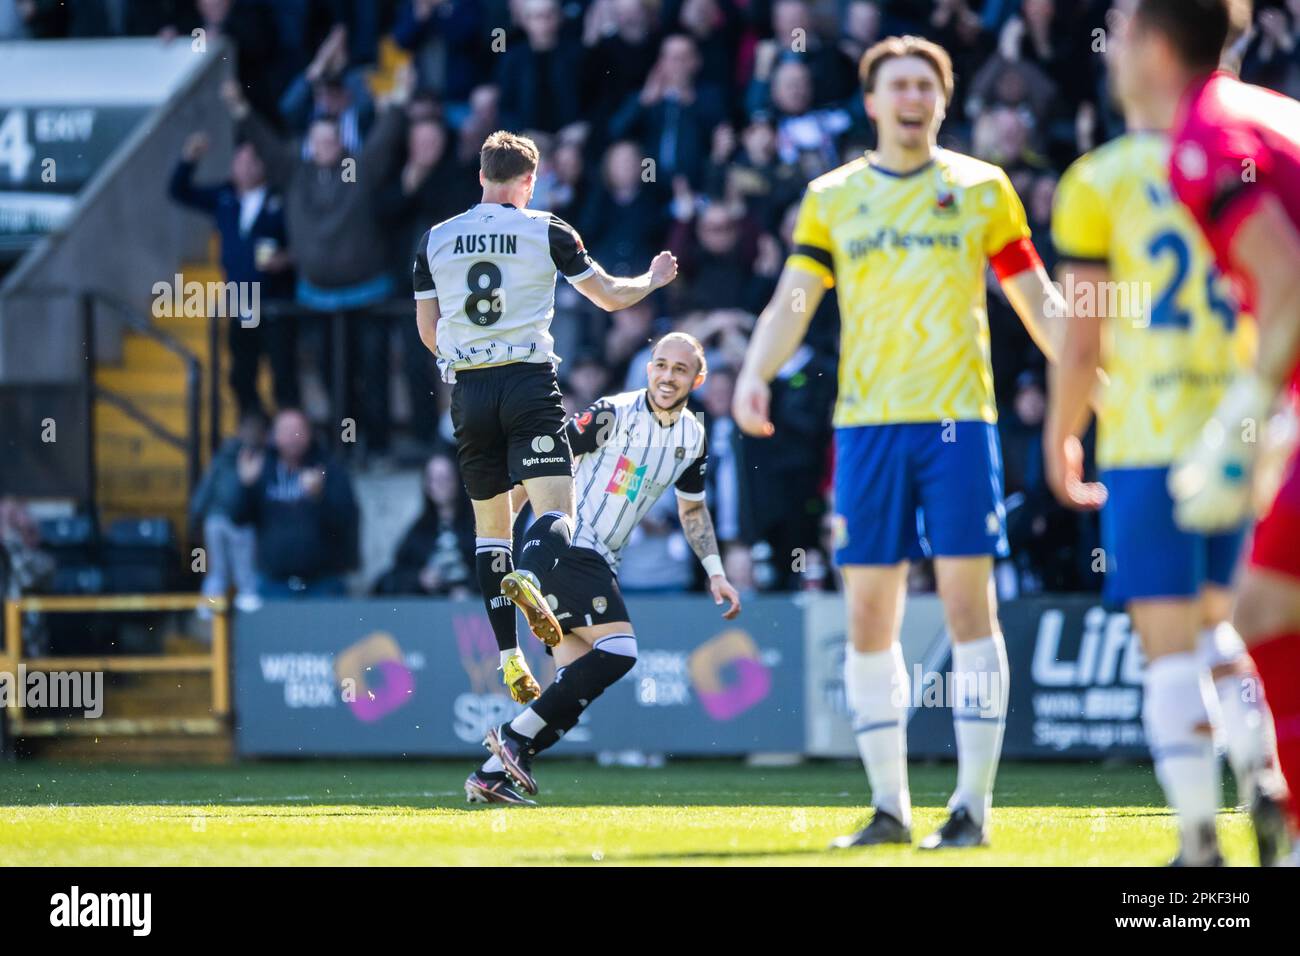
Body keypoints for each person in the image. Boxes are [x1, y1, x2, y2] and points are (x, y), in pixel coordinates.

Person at [732, 35, 1067, 850]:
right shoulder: (833, 196)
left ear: (942, 102)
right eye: (898, 85)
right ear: (874, 102)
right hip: (867, 428)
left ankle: (972, 811)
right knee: (869, 619)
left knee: (967, 610)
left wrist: (1101, 381)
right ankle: (889, 808)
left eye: (925, 84)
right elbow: (793, 299)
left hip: (960, 427)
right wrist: (754, 370)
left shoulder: (983, 189)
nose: (912, 97)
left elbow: (1039, 302)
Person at [1045, 1, 1287, 865]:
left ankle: (1196, 844)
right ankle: (1265, 783)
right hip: (1251, 428)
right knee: (1230, 630)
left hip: (1151, 436)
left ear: (1145, 46)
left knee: (1168, 647)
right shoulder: (1255, 143)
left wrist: (1062, 433)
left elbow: (1083, 338)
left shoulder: (1101, 180)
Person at [412, 130, 679, 706]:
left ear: (481, 177)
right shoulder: (546, 229)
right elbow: (609, 296)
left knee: (491, 531)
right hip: (529, 383)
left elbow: (428, 332)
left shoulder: (434, 239)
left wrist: (464, 361)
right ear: (529, 182)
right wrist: (652, 281)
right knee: (556, 507)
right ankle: (531, 577)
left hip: (469, 390)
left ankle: (509, 657)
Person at [1121, 0, 1300, 857]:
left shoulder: (1205, 135)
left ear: (1153, 47)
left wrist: (1248, 412)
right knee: (1262, 611)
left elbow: (1289, 281)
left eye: (1120, 33)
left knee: (1260, 613)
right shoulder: (1271, 111)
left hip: (1231, 408)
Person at [466, 332, 742, 804]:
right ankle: (513, 739)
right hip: (570, 544)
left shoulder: (693, 438)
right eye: (660, 365)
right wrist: (504, 525)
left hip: (600, 561)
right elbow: (547, 462)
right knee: (620, 650)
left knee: (572, 691)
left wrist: (715, 570)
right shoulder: (613, 413)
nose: (667, 376)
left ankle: (491, 773)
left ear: (698, 378)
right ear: (648, 367)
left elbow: (692, 511)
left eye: (679, 369)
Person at [167, 133, 298, 418]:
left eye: (253, 161)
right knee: (240, 375)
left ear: (264, 166)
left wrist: (287, 258)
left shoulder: (282, 198)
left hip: (277, 302)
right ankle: (256, 432)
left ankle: (291, 437)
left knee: (283, 375)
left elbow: (305, 242)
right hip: (242, 302)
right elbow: (179, 191)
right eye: (240, 161)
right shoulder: (224, 197)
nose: (246, 167)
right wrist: (189, 158)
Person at [231, 408, 359, 598]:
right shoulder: (261, 468)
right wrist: (246, 487)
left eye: (298, 431)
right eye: (286, 431)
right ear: (273, 436)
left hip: (323, 583)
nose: (293, 437)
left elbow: (346, 520)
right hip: (274, 583)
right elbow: (239, 519)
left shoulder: (329, 468)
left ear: (309, 434)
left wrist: (319, 498)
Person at [190, 412, 267, 614]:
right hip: (225, 520)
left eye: (255, 431)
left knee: (233, 571)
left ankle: (228, 609)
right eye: (249, 430)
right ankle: (212, 611)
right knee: (228, 571)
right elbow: (206, 488)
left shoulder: (230, 455)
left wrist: (196, 516)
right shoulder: (231, 455)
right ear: (240, 431)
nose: (252, 435)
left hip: (228, 519)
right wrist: (195, 517)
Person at [374, 453, 477, 597]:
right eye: (434, 479)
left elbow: (496, 571)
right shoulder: (419, 531)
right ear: (426, 485)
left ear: (457, 481)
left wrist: (470, 589)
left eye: (445, 478)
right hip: (428, 609)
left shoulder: (478, 529)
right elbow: (391, 578)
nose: (440, 485)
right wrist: (420, 579)